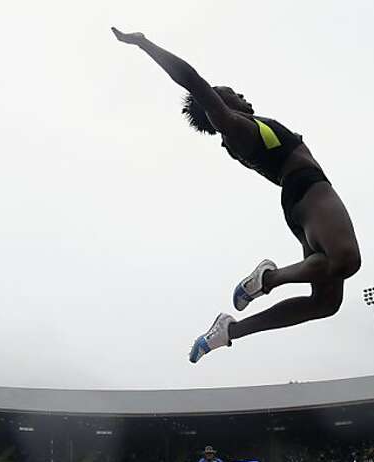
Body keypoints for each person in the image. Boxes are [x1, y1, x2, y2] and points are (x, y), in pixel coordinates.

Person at [112, 28, 361, 363]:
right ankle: (266, 279)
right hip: (309, 189)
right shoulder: (235, 127)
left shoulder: (241, 132)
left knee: (326, 303)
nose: (243, 96)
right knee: (345, 260)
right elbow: (194, 82)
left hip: (299, 204)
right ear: (219, 104)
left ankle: (229, 331)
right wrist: (144, 44)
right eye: (234, 94)